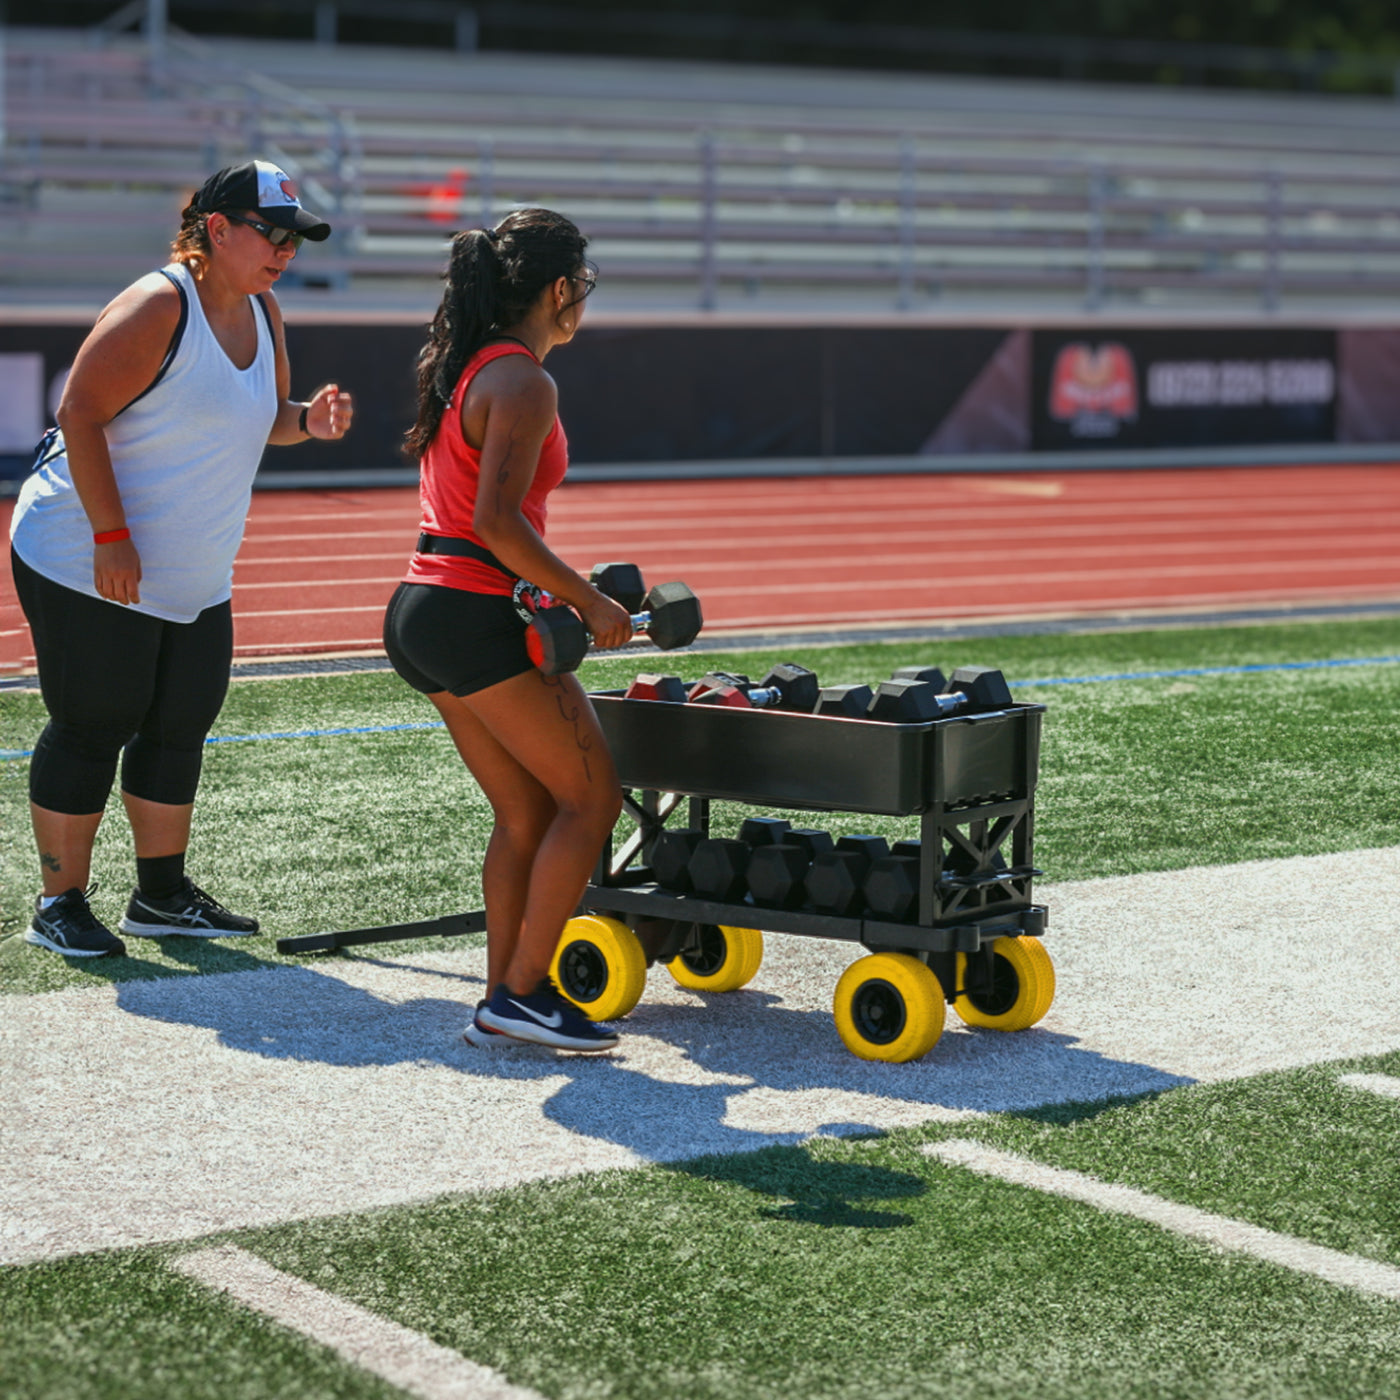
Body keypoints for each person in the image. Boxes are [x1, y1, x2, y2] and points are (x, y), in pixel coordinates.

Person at [9, 159, 354, 958]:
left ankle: (160, 897)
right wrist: (110, 535)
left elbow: (265, 416)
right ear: (217, 229)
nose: (284, 251)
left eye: (294, 239)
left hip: (193, 570)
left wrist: (311, 422)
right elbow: (79, 411)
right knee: (94, 722)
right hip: (83, 554)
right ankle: (57, 903)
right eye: (271, 233)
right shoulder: (159, 303)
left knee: (177, 725)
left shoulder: (264, 313)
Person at [384, 208, 628, 1053]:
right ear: (560, 289)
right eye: (583, 288)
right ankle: (523, 990)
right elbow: (497, 525)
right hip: (470, 611)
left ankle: (504, 998)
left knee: (526, 809)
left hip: (424, 608)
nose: (583, 303)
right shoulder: (525, 380)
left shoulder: (471, 365)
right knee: (593, 797)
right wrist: (588, 600)